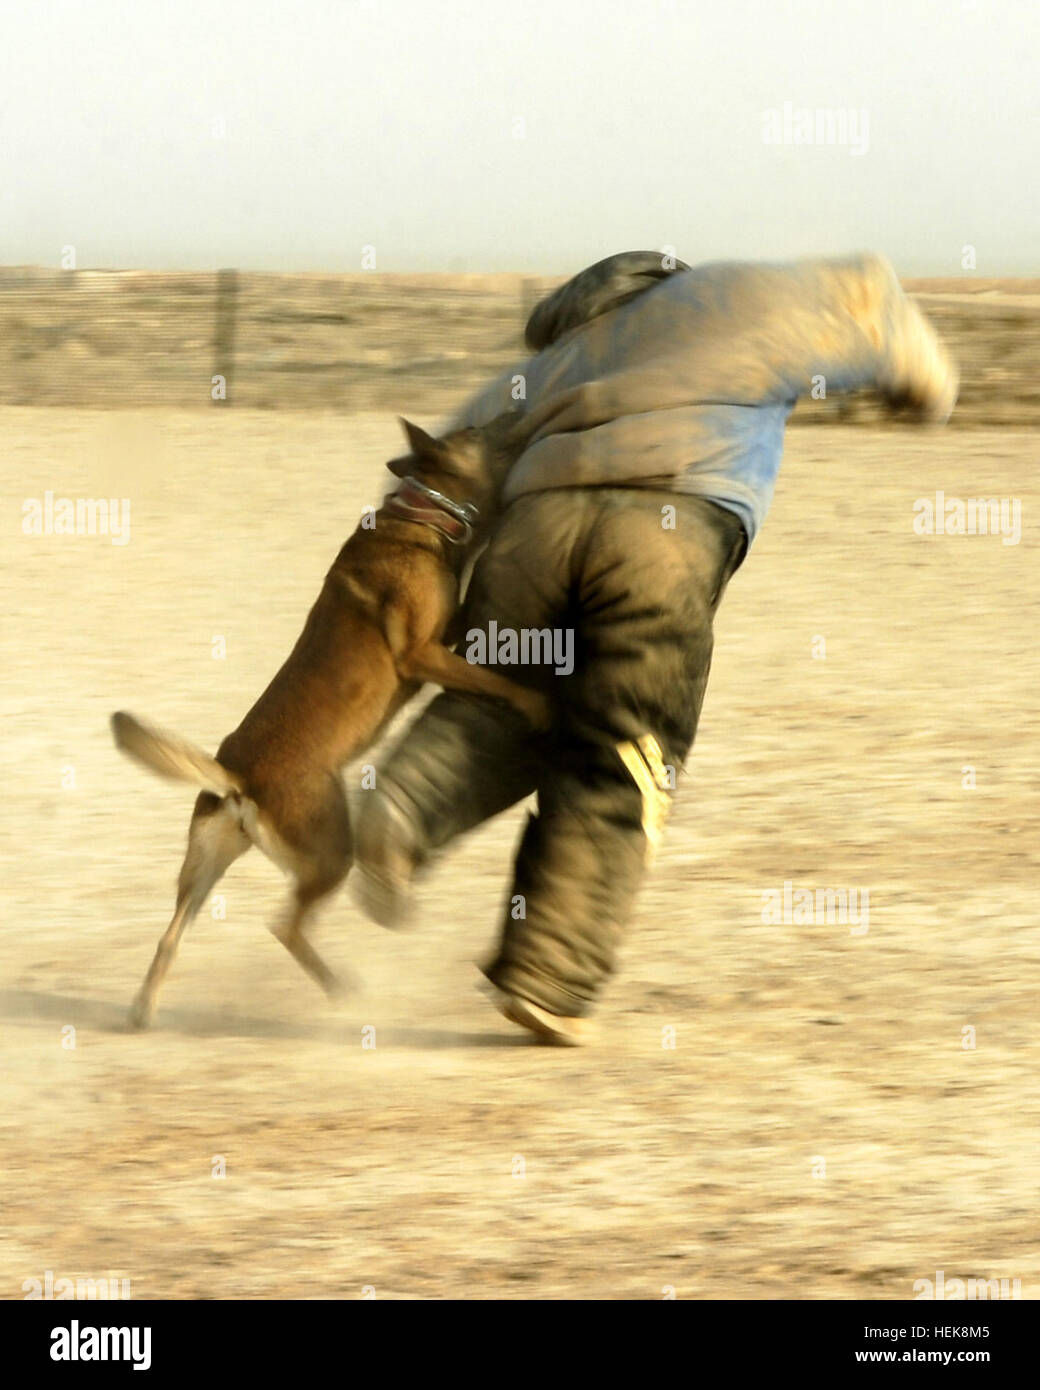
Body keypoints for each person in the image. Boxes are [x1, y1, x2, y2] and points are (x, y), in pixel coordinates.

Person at [352, 250, 958, 1045]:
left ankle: (403, 806)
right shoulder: (734, 295)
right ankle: (548, 973)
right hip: (664, 534)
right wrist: (922, 389)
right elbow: (872, 294)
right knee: (625, 748)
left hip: (534, 530)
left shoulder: (558, 358)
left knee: (499, 696)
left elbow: (443, 461)